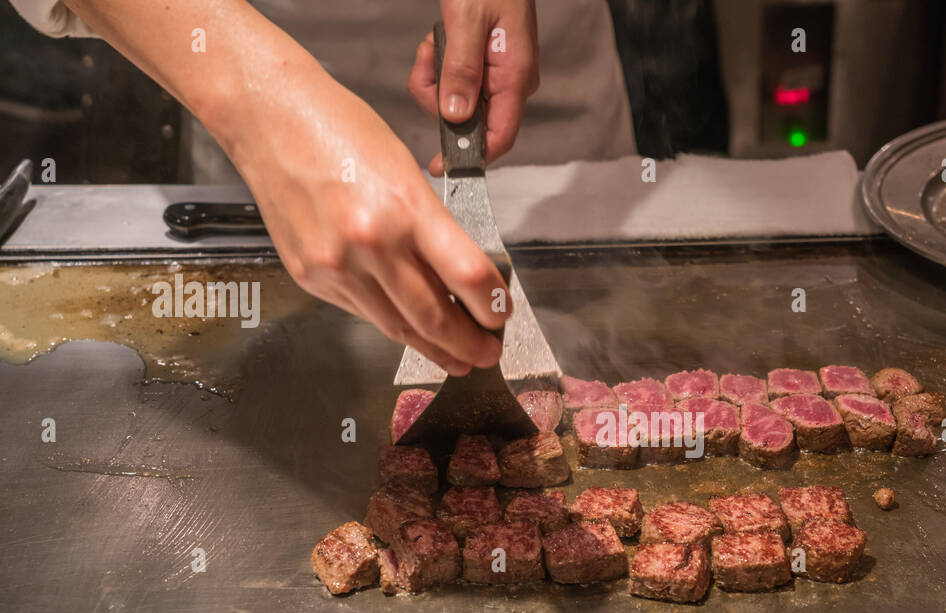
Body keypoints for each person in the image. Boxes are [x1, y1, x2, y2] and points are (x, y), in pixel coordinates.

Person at [11, 0, 637, 375]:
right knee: (285, 382)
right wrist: (261, 104)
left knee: (594, 369)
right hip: (235, 40)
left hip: (530, 75)